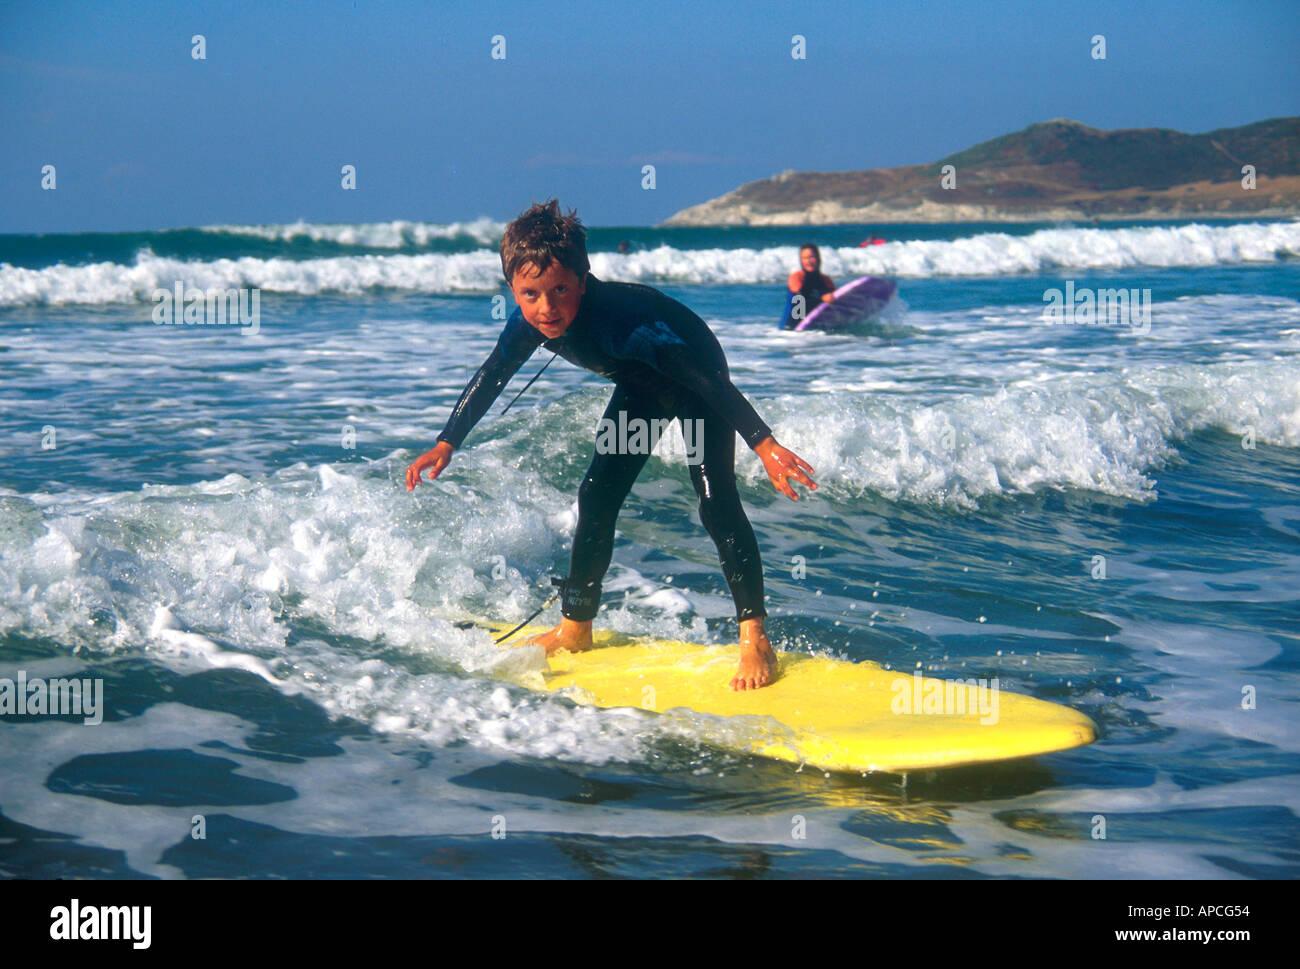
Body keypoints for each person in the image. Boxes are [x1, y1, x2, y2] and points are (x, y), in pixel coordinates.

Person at [406, 200, 817, 690]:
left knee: (714, 499)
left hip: (694, 375)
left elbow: (708, 384)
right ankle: (576, 627)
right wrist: (447, 440)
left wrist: (764, 444)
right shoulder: (529, 323)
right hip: (642, 384)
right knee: (597, 496)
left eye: (560, 290)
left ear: (584, 277)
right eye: (530, 294)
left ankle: (754, 636)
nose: (546, 307)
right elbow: (494, 373)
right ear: (513, 290)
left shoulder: (627, 324)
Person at [781, 244, 835, 329]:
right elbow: (800, 299)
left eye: (811, 257)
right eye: (805, 258)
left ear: (818, 258)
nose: (808, 261)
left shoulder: (825, 279)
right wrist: (822, 299)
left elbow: (837, 299)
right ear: (801, 261)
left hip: (815, 330)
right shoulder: (796, 277)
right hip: (791, 329)